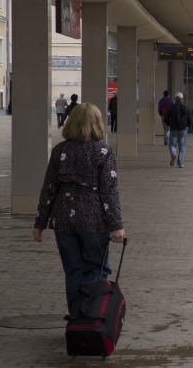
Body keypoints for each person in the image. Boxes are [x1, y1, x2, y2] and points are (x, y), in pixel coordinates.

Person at [32, 102, 126, 315]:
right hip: (93, 220)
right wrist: (116, 225)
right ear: (98, 125)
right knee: (97, 268)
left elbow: (49, 188)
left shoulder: (60, 151)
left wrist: (40, 223)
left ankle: (76, 316)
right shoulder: (103, 152)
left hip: (63, 218)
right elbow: (109, 193)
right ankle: (91, 316)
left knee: (73, 270)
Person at [164, 92, 192, 167]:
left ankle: (173, 154)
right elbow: (189, 118)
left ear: (175, 98)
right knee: (182, 146)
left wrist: (169, 124)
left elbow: (166, 118)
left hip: (173, 129)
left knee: (172, 144)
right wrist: (188, 126)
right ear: (182, 99)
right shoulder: (186, 108)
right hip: (183, 129)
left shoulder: (171, 107)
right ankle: (180, 163)